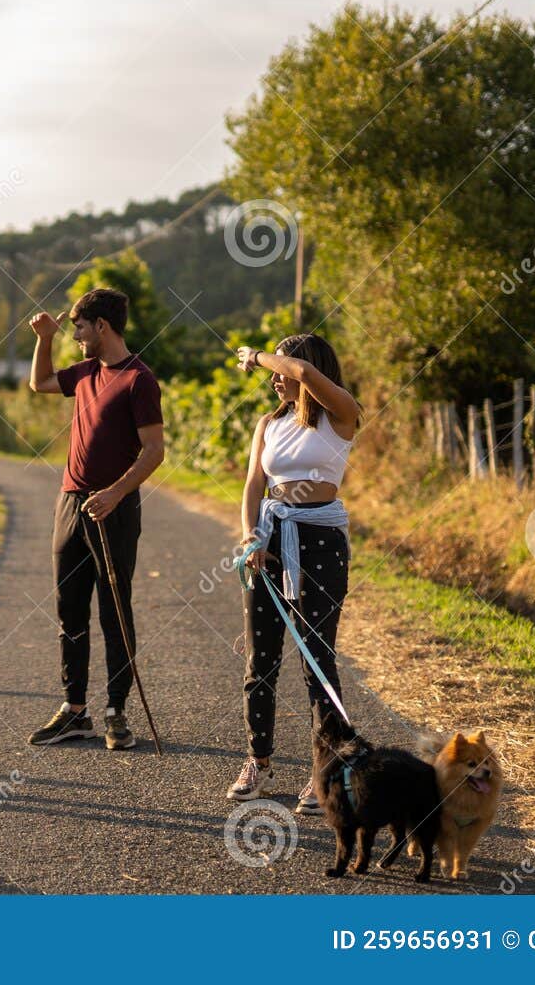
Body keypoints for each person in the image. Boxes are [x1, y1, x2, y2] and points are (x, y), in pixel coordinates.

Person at [24, 287, 164, 750]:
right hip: (70, 502)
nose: (77, 337)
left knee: (114, 610)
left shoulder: (139, 379)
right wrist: (44, 338)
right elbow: (39, 384)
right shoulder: (84, 372)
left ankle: (116, 711)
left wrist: (116, 493)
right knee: (69, 609)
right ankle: (74, 709)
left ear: (101, 326)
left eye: (79, 328)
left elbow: (155, 451)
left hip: (114, 507)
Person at [226, 332, 359, 812]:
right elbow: (252, 484)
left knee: (316, 659)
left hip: (319, 541)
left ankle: (326, 771)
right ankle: (257, 760)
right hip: (270, 538)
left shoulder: (341, 415)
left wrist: (254, 356)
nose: (275, 381)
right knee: (261, 659)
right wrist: (250, 537)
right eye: (272, 373)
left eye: (281, 372)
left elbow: (303, 374)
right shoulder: (269, 423)